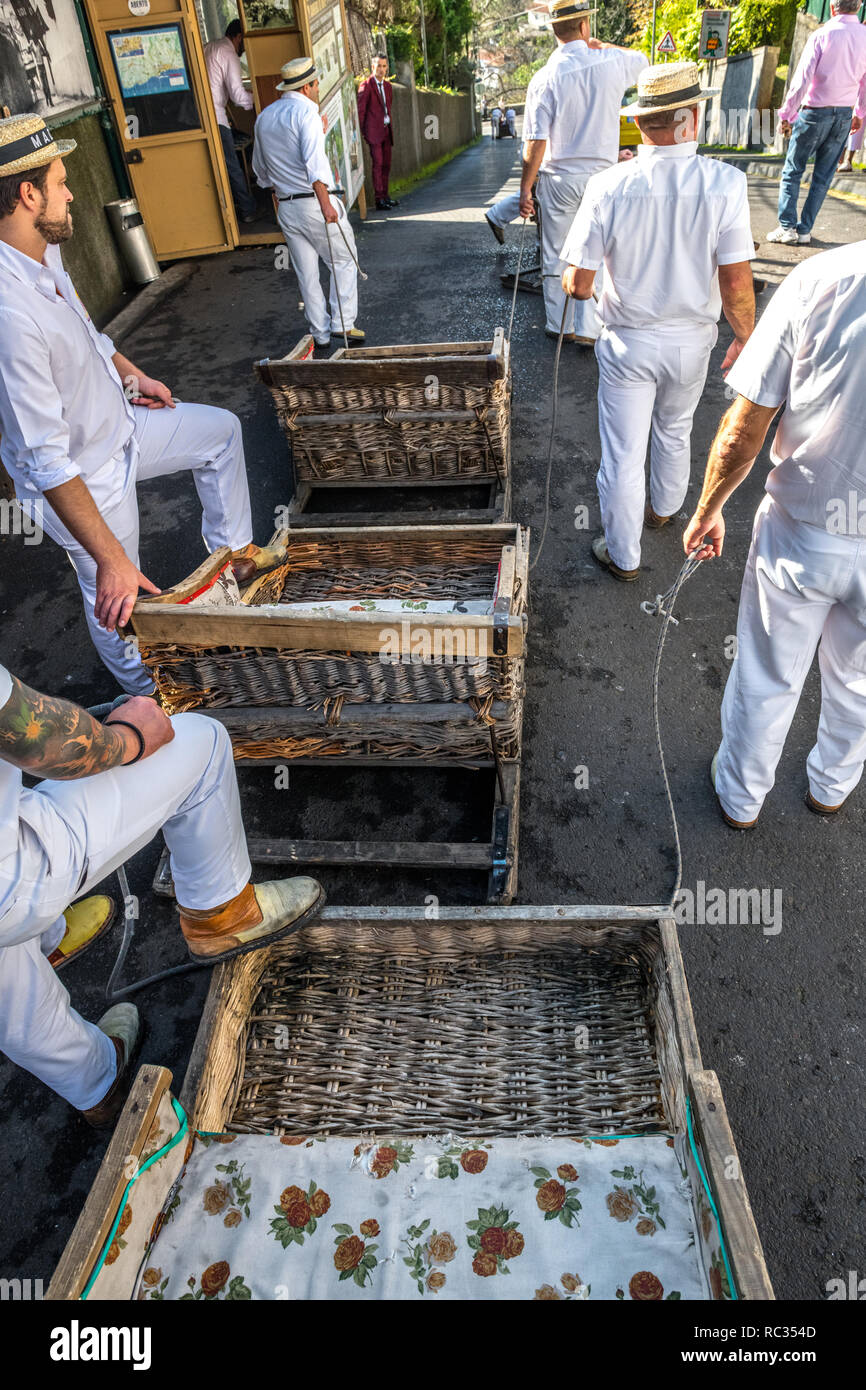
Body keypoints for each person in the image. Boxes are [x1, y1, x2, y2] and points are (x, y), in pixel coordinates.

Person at [0, 114, 282, 698]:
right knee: (117, 591)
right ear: (28, 195)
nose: (71, 191)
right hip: (85, 477)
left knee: (222, 434)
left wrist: (131, 375)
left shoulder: (41, 251)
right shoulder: (7, 313)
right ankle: (149, 695)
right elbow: (48, 461)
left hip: (123, 423)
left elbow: (89, 335)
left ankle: (234, 561)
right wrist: (108, 559)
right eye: (60, 181)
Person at [0, 662, 325, 1126]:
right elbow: (34, 734)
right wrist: (129, 737)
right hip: (14, 877)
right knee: (202, 742)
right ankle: (222, 914)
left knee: (6, 986)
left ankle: (96, 1083)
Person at [683, 242, 866, 829]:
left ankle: (741, 797)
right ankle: (831, 786)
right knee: (859, 680)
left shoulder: (826, 275)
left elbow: (749, 419)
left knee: (767, 671)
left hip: (806, 525)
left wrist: (710, 506)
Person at [561, 62, 755, 582]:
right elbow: (736, 282)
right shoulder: (726, 184)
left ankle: (624, 555)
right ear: (690, 119)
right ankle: (665, 510)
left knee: (623, 454)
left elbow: (577, 283)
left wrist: (604, 293)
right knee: (676, 427)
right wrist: (745, 339)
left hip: (628, 341)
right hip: (692, 341)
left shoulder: (608, 185)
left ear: (642, 123)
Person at [521, 0, 646, 346]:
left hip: (559, 179)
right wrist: (602, 45)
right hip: (603, 178)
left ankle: (560, 326)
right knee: (601, 251)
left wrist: (525, 190)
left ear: (553, 30)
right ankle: (591, 327)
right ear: (585, 25)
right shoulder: (610, 63)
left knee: (556, 253)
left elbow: (536, 143)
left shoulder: (544, 78)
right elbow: (644, 63)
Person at [253, 58, 365, 348]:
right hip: (314, 202)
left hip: (287, 206)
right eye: (315, 84)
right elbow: (314, 164)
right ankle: (342, 323)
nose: (317, 89)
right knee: (342, 258)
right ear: (306, 87)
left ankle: (321, 333)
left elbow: (261, 171)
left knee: (307, 274)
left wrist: (278, 188)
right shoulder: (308, 114)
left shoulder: (264, 117)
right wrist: (327, 204)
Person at [768, 0, 866, 245]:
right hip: (844, 115)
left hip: (814, 114)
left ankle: (788, 227)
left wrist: (787, 116)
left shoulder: (822, 35)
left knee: (793, 170)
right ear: (858, 7)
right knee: (823, 176)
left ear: (833, 8)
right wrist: (859, 112)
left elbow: (802, 80)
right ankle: (804, 230)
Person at [204, 18, 257, 224]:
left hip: (198, 115)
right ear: (239, 37)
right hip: (215, 116)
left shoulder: (209, 46)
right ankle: (248, 209)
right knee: (232, 165)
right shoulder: (229, 54)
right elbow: (237, 95)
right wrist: (255, 98)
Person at [357, 53, 399, 211]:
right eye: (378, 66)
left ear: (386, 67)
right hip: (373, 133)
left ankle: (386, 196)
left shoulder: (388, 86)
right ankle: (379, 198)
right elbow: (361, 110)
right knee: (378, 164)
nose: (381, 69)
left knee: (387, 164)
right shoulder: (366, 85)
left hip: (387, 130)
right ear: (372, 67)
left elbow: (388, 107)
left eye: (383, 66)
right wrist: (363, 132)